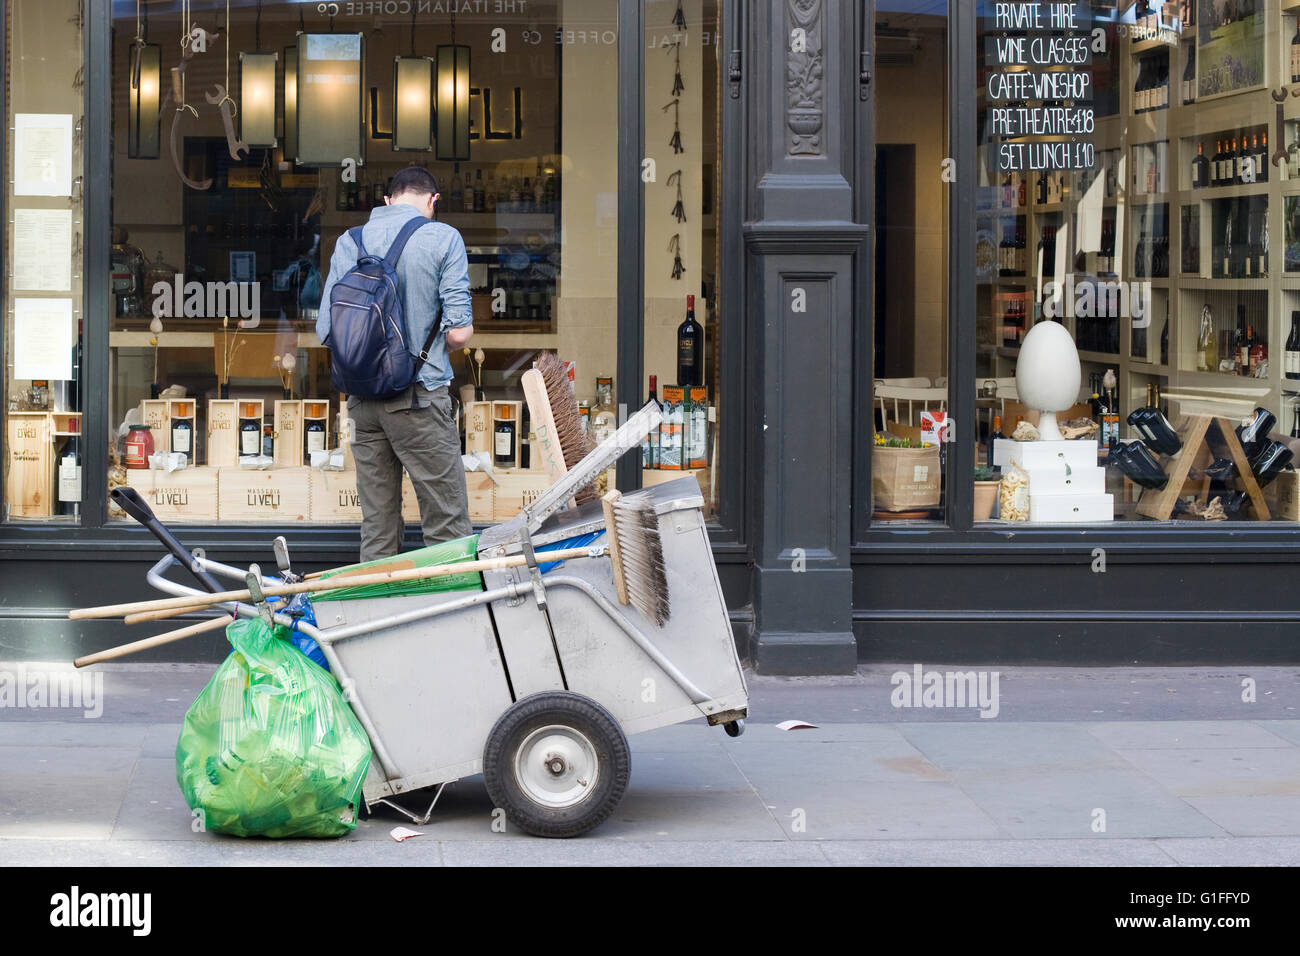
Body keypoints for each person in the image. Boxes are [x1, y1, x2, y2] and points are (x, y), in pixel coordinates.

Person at [317, 166, 475, 561]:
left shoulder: (349, 242)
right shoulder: (444, 238)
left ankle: (378, 618)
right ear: (432, 201)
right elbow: (459, 333)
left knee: (378, 524)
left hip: (363, 404)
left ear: (387, 200)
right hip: (418, 399)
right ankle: (452, 616)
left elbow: (325, 331)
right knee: (447, 523)